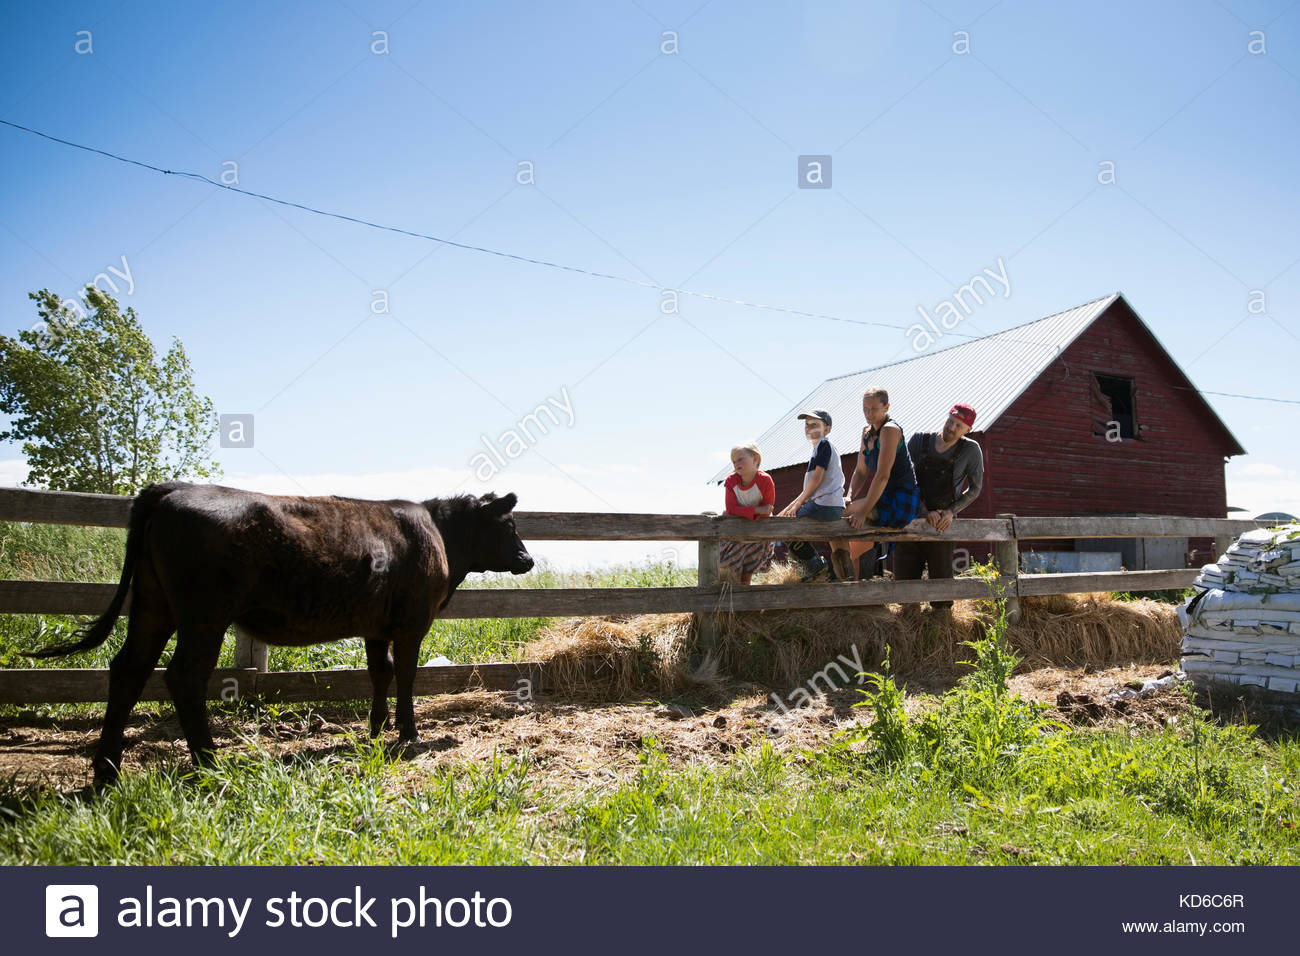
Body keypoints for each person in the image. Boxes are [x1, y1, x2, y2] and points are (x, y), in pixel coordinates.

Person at [894, 403, 984, 619]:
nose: (952, 428)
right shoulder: (919, 441)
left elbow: (976, 488)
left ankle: (941, 631)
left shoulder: (970, 450)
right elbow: (903, 477)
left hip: (942, 525)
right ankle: (907, 628)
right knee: (906, 583)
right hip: (912, 519)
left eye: (959, 426)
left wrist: (951, 511)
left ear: (967, 430)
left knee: (942, 585)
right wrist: (924, 509)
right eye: (951, 421)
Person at [843, 388, 923, 579]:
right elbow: (861, 471)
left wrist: (862, 511)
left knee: (844, 514)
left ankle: (852, 578)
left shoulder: (890, 430)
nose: (869, 414)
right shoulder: (866, 433)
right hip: (881, 495)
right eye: (865, 409)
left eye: (874, 409)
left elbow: (882, 476)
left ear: (886, 407)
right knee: (845, 515)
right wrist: (850, 495)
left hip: (901, 498)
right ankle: (852, 584)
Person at [777, 409, 849, 581]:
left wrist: (796, 506)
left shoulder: (824, 445)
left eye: (815, 425)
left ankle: (814, 565)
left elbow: (816, 480)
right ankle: (820, 568)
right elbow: (809, 489)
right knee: (785, 520)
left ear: (827, 429)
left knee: (786, 528)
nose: (809, 428)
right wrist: (788, 509)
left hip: (825, 505)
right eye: (807, 425)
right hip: (827, 504)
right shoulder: (819, 448)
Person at [719, 442, 776, 585]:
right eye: (733, 461)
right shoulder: (731, 481)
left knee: (746, 576)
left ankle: (745, 606)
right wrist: (755, 510)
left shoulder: (765, 481)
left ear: (755, 459)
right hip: (736, 534)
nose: (736, 463)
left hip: (758, 534)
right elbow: (731, 508)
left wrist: (739, 512)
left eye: (740, 459)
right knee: (727, 574)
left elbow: (766, 511)